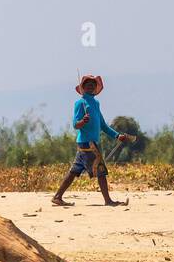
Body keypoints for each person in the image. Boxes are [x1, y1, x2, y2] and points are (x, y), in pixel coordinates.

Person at [51, 74, 132, 207]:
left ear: (95, 87)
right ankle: (108, 201)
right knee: (101, 171)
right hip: (87, 143)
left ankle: (57, 196)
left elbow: (103, 126)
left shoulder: (95, 103)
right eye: (87, 83)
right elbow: (75, 124)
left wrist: (117, 136)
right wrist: (82, 121)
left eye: (92, 84)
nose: (90, 85)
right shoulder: (80, 103)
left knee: (74, 171)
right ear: (82, 87)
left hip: (89, 143)